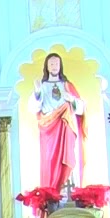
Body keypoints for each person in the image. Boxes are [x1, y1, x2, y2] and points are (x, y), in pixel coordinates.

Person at [28, 52, 86, 192]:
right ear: (47, 67)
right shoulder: (42, 86)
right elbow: (33, 107)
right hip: (49, 128)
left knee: (68, 157)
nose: (54, 66)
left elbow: (81, 109)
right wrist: (37, 92)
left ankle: (69, 189)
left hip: (66, 126)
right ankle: (51, 192)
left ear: (60, 66)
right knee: (50, 159)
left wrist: (71, 100)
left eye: (56, 64)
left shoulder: (67, 85)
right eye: (51, 64)